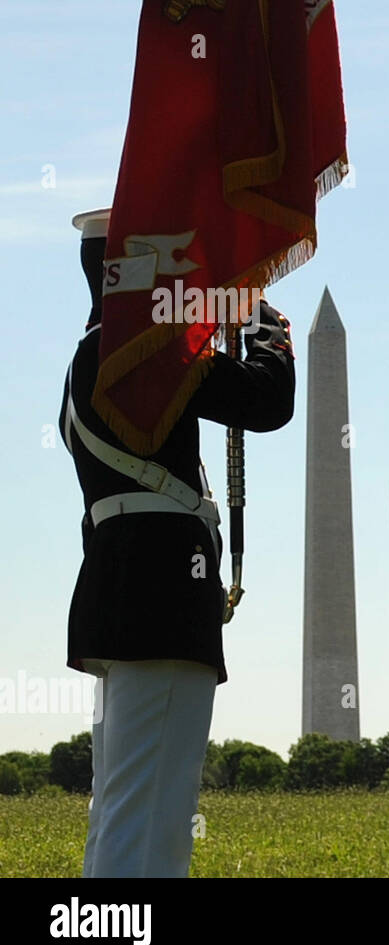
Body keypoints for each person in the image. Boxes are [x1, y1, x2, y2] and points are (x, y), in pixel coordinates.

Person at [61, 208, 296, 877]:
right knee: (150, 816)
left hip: (125, 591)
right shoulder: (140, 351)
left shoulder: (95, 352)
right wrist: (259, 320)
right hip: (160, 597)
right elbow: (267, 399)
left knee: (125, 806)